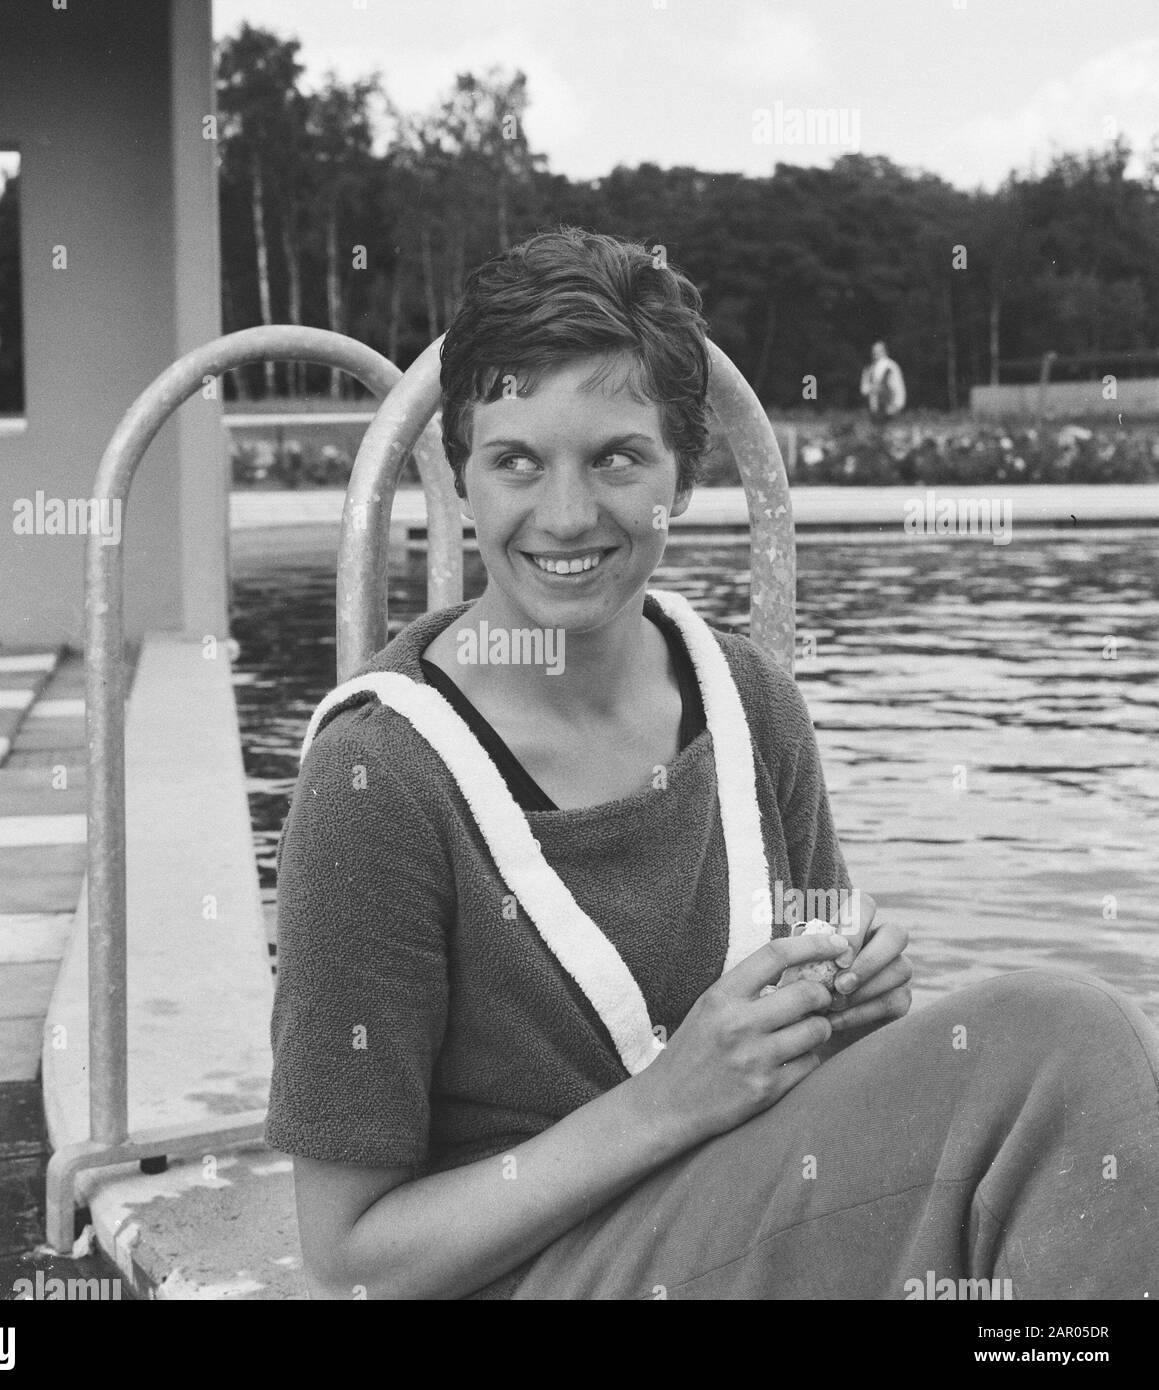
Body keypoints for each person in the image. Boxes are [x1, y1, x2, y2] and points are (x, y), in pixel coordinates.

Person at [266, 228, 1159, 1300]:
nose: (564, 515)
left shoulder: (748, 701)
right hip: (522, 1279)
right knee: (1061, 1042)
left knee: (1065, 1100)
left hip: (718, 1239)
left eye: (615, 457)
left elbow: (788, 1052)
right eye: (515, 460)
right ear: (459, 478)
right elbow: (346, 1261)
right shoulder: (380, 780)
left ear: (681, 477)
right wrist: (665, 1101)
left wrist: (850, 1007)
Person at [860, 340, 907, 420]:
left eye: (879, 351)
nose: (875, 353)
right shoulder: (869, 369)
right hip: (874, 411)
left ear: (884, 351)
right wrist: (872, 388)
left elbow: (899, 388)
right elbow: (863, 390)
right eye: (874, 351)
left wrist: (897, 405)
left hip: (890, 409)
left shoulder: (891, 367)